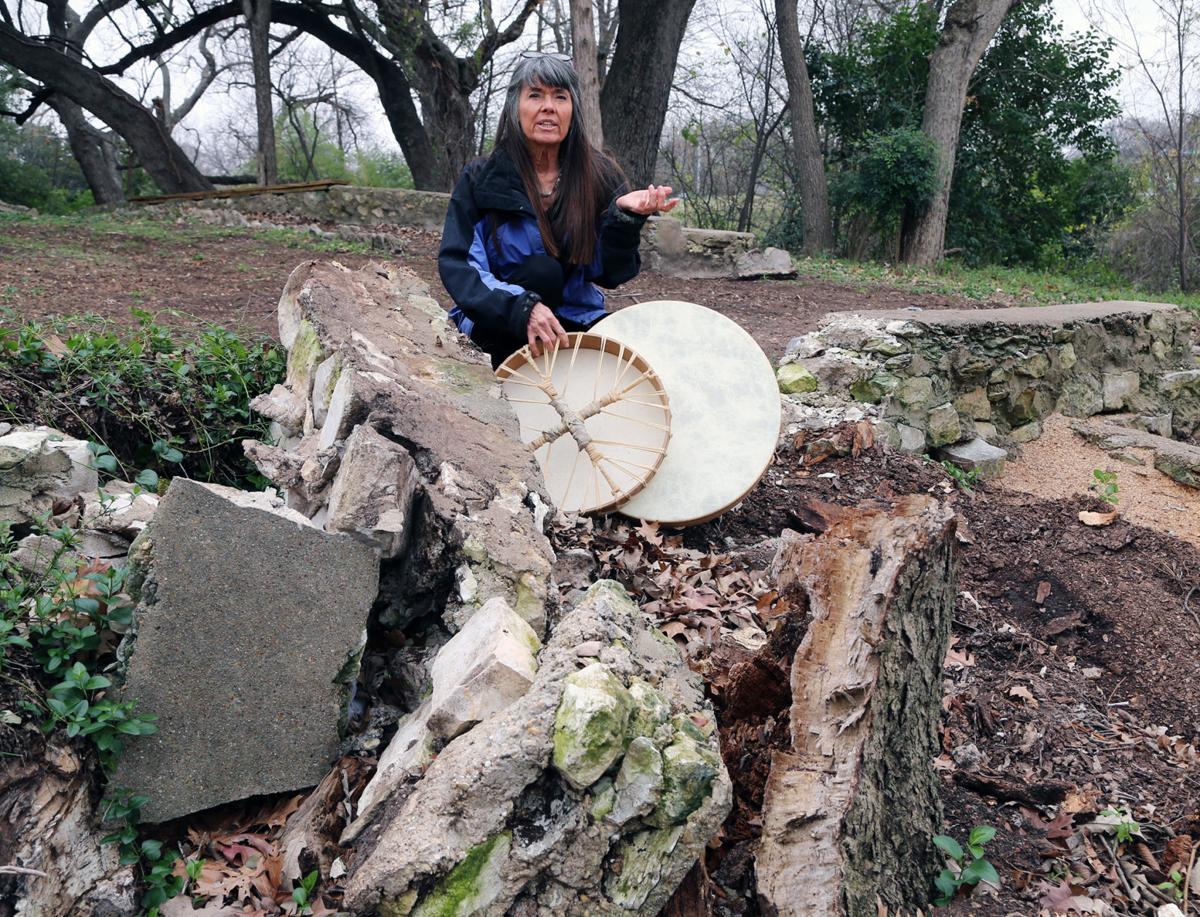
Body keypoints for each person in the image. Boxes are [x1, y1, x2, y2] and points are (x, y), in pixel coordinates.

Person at [438, 51, 678, 369]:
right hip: (498, 324)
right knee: (542, 273)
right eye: (535, 95)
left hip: (575, 322)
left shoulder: (600, 175)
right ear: (515, 107)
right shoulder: (481, 180)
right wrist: (522, 309)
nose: (548, 106)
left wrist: (624, 220)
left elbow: (612, 274)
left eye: (560, 97)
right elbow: (460, 267)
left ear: (572, 110)